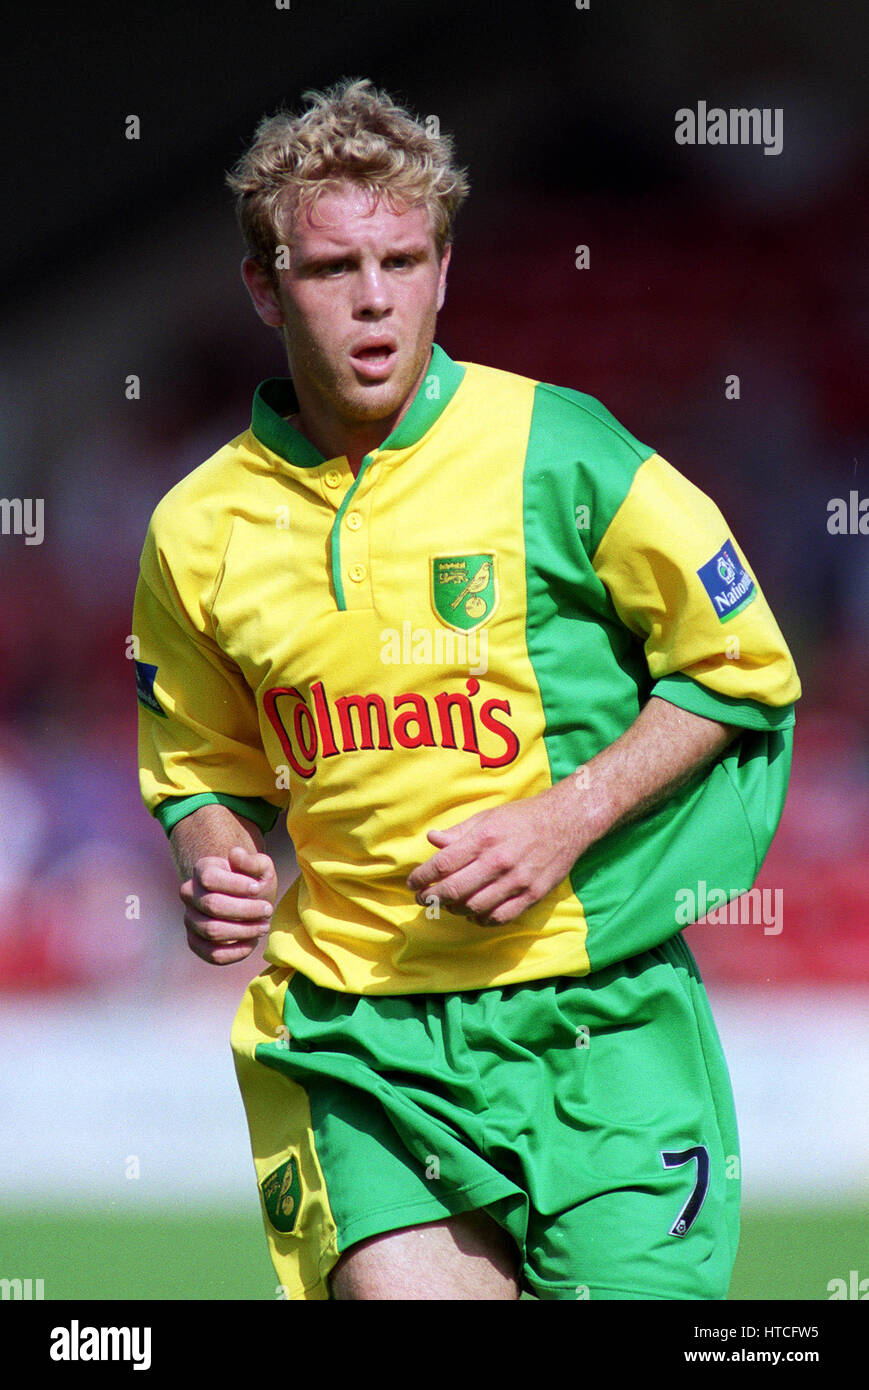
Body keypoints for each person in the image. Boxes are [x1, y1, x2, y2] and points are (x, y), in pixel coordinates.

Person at [133, 78, 801, 1301]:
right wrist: (215, 846)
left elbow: (737, 665)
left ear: (445, 269)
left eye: (402, 259)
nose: (373, 299)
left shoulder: (568, 450)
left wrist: (565, 816)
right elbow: (199, 762)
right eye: (333, 267)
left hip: (595, 1021)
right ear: (265, 286)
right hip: (359, 1028)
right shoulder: (195, 525)